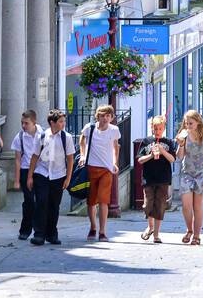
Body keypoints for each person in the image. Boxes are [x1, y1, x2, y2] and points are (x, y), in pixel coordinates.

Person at [26, 109, 73, 246]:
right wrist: (30, 176)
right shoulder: (41, 136)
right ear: (52, 123)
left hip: (59, 174)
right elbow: (34, 157)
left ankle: (52, 234)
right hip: (42, 173)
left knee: (54, 205)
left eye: (64, 121)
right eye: (60, 121)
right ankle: (39, 234)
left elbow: (70, 159)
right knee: (41, 202)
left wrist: (68, 178)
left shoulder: (67, 138)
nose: (63, 124)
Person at [79, 105, 120, 242]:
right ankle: (93, 227)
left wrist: (114, 162)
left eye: (108, 116)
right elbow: (82, 139)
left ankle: (102, 231)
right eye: (103, 115)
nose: (105, 118)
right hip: (91, 167)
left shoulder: (114, 130)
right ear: (98, 116)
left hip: (106, 169)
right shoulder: (90, 128)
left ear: (111, 117)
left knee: (103, 200)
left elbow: (116, 147)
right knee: (91, 201)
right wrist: (83, 155)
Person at [175, 109, 203, 245]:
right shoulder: (183, 135)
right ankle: (189, 229)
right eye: (186, 123)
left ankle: (197, 235)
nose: (188, 126)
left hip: (202, 174)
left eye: (190, 123)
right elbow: (179, 157)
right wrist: (180, 145)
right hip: (187, 173)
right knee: (186, 206)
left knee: (197, 206)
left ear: (198, 122)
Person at [137, 115, 176, 243]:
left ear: (164, 128)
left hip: (163, 178)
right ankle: (150, 226)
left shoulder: (169, 142)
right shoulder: (146, 141)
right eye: (155, 128)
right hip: (148, 178)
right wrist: (151, 155)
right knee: (148, 204)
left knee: (160, 206)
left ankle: (156, 234)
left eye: (160, 128)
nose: (157, 131)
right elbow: (140, 160)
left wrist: (162, 151)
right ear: (151, 128)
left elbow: (172, 159)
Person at [9, 110, 43, 240]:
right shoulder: (20, 137)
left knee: (40, 201)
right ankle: (25, 229)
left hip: (40, 171)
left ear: (34, 122)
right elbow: (17, 159)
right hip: (25, 169)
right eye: (22, 123)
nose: (23, 126)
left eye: (26, 123)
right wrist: (17, 180)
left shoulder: (43, 134)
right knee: (29, 201)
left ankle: (39, 229)